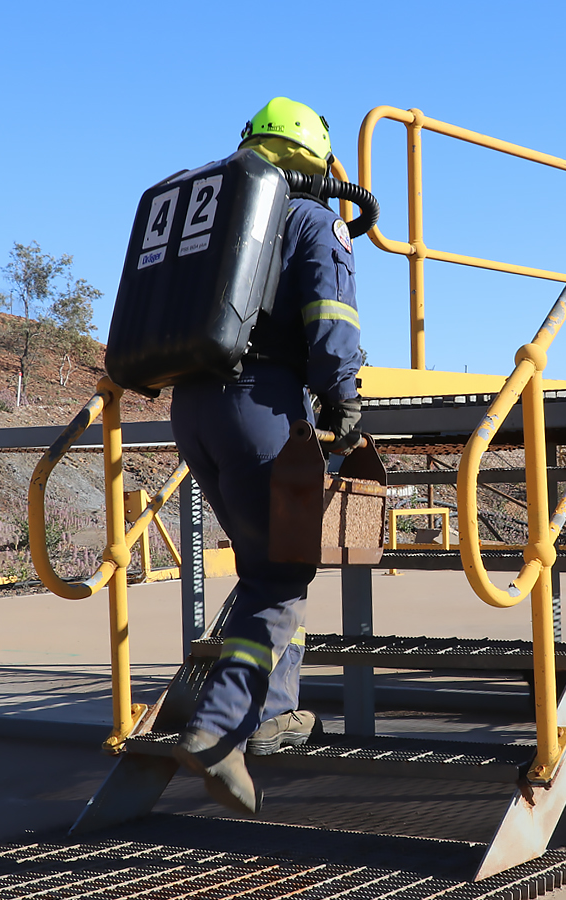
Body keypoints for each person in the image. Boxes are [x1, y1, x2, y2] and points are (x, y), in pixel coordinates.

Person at [168, 97, 364, 815]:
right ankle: (218, 730)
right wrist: (343, 398)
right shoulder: (312, 219)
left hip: (192, 409)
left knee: (263, 567)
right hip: (262, 409)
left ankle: (275, 712)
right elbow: (330, 316)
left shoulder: (218, 217)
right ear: (316, 164)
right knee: (282, 580)